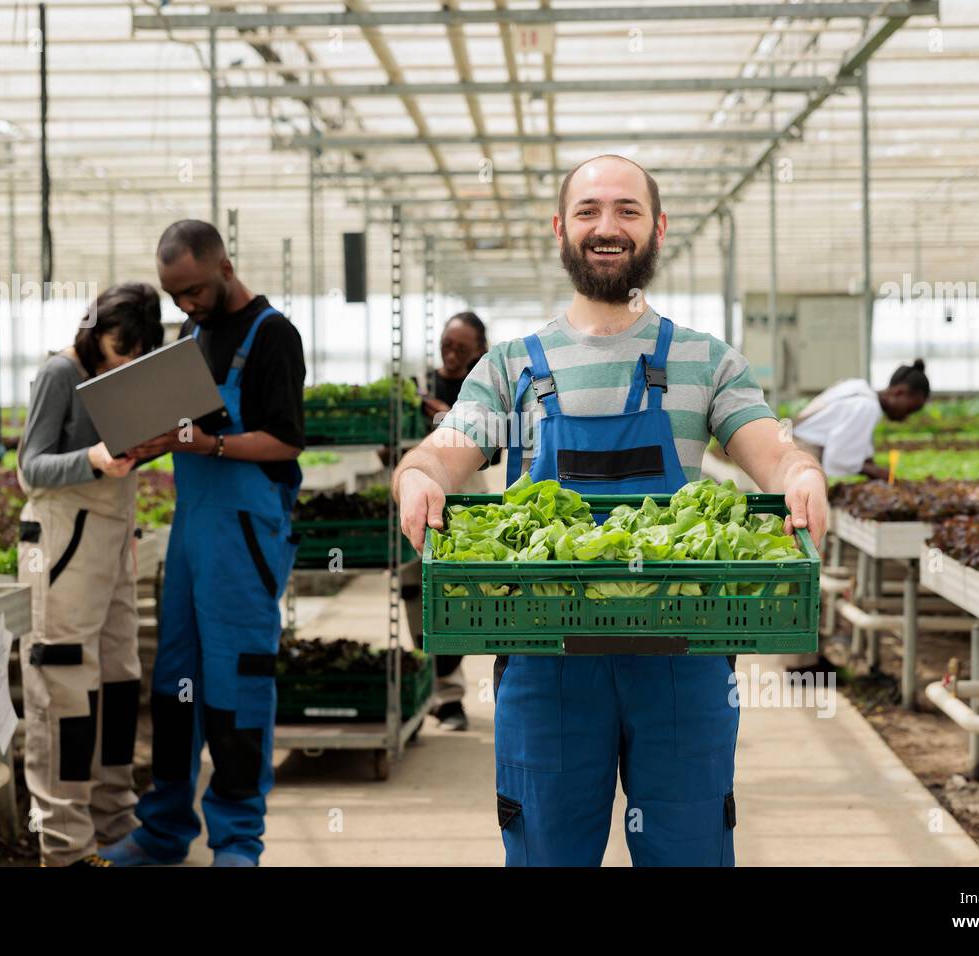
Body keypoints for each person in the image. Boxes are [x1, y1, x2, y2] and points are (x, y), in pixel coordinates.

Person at [392, 154, 829, 867]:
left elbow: (773, 450)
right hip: (545, 655)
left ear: (656, 229)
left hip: (683, 651)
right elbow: (442, 453)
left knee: (688, 852)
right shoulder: (510, 367)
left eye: (627, 210)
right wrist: (417, 477)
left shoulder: (706, 361)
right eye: (590, 210)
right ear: (561, 229)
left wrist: (803, 472)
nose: (608, 226)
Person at [100, 221, 306, 867]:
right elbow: (183, 426)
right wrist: (151, 435)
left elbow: (285, 441)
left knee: (236, 683)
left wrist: (204, 442)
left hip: (244, 535)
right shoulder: (189, 336)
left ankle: (238, 840)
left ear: (224, 266)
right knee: (175, 683)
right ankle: (163, 830)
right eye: (173, 295)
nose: (184, 305)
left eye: (192, 289)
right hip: (192, 530)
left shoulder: (273, 335)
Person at [17, 282, 164, 867]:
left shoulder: (129, 376)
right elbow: (30, 467)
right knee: (65, 685)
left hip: (112, 539)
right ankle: (67, 844)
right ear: (93, 329)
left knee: (120, 675)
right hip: (63, 542)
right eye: (117, 344)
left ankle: (116, 817)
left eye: (137, 350)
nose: (124, 359)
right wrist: (94, 459)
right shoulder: (61, 373)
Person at [402, 312, 495, 731]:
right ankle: (427, 689)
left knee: (455, 599)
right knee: (415, 597)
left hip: (466, 504)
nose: (452, 354)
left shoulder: (483, 389)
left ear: (479, 350)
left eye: (462, 348)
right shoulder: (420, 385)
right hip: (416, 502)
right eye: (447, 345)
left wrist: (447, 418)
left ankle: (451, 696)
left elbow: (493, 452)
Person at [791, 360, 930, 480]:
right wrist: (875, 471)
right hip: (799, 452)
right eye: (909, 410)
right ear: (899, 392)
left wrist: (870, 464)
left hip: (790, 440)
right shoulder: (867, 406)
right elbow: (837, 459)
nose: (905, 418)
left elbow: (855, 444)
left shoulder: (860, 388)